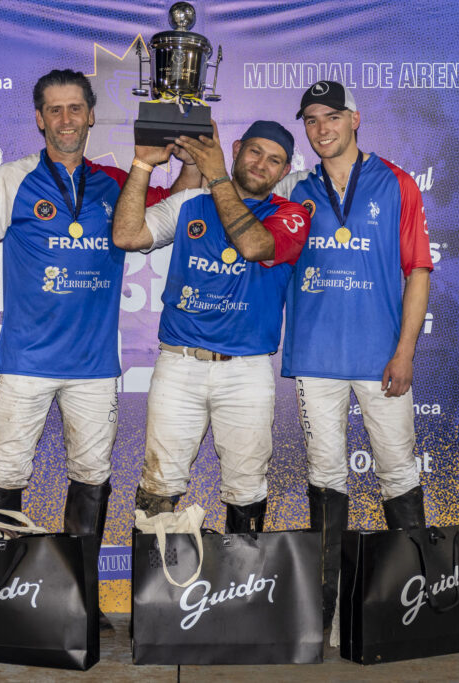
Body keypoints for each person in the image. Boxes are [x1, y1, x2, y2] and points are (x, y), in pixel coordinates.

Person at [0, 69, 199, 623]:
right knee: (6, 474)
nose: (66, 119)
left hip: (94, 368)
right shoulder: (13, 179)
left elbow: (179, 203)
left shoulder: (119, 181)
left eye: (76, 108)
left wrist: (188, 150)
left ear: (92, 116)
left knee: (92, 478)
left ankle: (81, 602)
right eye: (55, 110)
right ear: (40, 119)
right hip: (25, 363)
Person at [274, 80, 434, 628]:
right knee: (325, 474)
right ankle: (326, 604)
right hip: (315, 357)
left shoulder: (396, 182)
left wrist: (405, 351)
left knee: (398, 471)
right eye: (312, 120)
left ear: (355, 119)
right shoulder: (295, 189)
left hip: (381, 359)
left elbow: (418, 270)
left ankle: (417, 596)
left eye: (332, 117)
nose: (322, 128)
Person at [113, 120, 311, 532]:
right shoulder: (189, 204)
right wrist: (143, 165)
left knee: (246, 487)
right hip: (179, 365)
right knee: (158, 482)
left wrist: (217, 172)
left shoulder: (290, 215)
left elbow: (254, 246)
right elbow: (128, 235)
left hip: (246, 371)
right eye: (255, 151)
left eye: (275, 161)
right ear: (236, 148)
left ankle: (241, 590)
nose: (261, 165)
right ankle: (159, 589)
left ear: (284, 171)